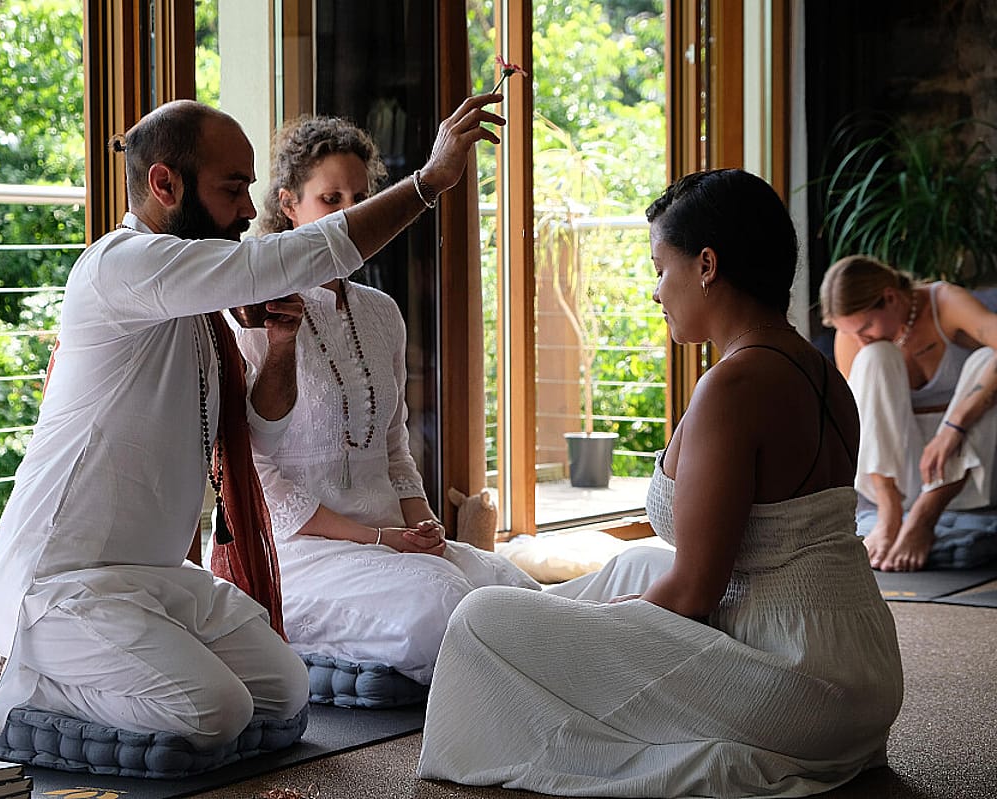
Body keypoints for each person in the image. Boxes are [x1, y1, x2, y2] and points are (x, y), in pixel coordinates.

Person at [0, 94, 504, 747]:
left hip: (159, 576)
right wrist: (426, 184)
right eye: (232, 189)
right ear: (164, 184)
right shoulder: (120, 266)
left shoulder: (197, 307)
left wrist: (280, 346)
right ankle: (18, 698)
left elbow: (264, 433)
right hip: (59, 582)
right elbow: (286, 258)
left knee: (285, 693)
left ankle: (83, 678)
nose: (248, 209)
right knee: (215, 710)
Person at [416, 168, 903, 797]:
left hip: (799, 683)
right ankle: (539, 610)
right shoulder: (820, 369)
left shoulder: (733, 386)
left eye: (658, 268)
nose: (655, 292)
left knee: (480, 617)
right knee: (637, 562)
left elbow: (696, 592)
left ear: (706, 264)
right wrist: (631, 607)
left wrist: (636, 617)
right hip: (861, 667)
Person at [230, 116, 538, 685]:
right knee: (447, 605)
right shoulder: (251, 309)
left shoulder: (380, 312)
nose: (350, 214)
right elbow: (259, 478)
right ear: (287, 205)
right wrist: (381, 539)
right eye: (330, 199)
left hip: (392, 541)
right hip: (302, 556)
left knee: (510, 585)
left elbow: (393, 445)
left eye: (359, 198)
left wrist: (422, 528)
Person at [820, 255, 997, 571]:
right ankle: (888, 516)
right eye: (852, 333)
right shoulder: (855, 339)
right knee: (874, 357)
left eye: (865, 327)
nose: (860, 340)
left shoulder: (944, 302)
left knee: (986, 359)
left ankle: (923, 518)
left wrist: (952, 428)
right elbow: (859, 421)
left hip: (967, 475)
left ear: (889, 297)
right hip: (899, 480)